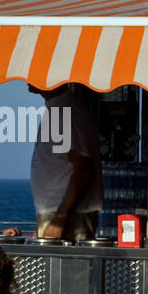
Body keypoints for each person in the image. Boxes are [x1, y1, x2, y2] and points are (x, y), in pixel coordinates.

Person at [28, 83, 103, 241]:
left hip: (68, 216)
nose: (27, 77)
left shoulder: (63, 110)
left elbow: (82, 169)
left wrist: (59, 219)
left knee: (68, 266)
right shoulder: (58, 108)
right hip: (60, 213)